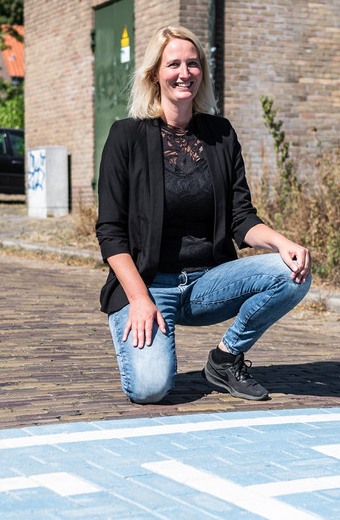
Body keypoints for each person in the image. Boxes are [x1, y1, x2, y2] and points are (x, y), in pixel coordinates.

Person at [96, 25, 311, 404]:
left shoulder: (220, 134)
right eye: (174, 64)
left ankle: (225, 359)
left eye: (192, 64)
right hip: (148, 284)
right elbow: (110, 232)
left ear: (202, 73)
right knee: (150, 388)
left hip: (208, 283)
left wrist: (282, 242)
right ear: (154, 74)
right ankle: (152, 334)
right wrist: (139, 298)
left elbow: (241, 218)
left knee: (290, 272)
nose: (184, 73)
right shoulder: (125, 136)